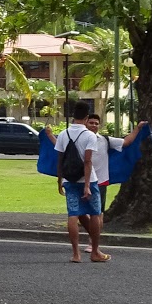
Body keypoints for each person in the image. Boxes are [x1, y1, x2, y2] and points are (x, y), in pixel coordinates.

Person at [55, 101, 105, 263]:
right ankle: (95, 252)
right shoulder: (90, 136)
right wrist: (87, 185)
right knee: (95, 214)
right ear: (86, 117)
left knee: (73, 214)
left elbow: (60, 159)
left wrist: (59, 181)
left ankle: (76, 254)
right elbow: (88, 162)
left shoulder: (63, 134)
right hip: (88, 181)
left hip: (69, 180)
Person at [86, 113, 146, 227]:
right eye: (91, 123)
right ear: (85, 123)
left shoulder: (105, 140)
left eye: (96, 123)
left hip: (100, 181)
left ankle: (94, 239)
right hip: (82, 180)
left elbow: (126, 142)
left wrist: (138, 128)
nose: (93, 125)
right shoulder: (78, 139)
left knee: (98, 211)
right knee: (81, 212)